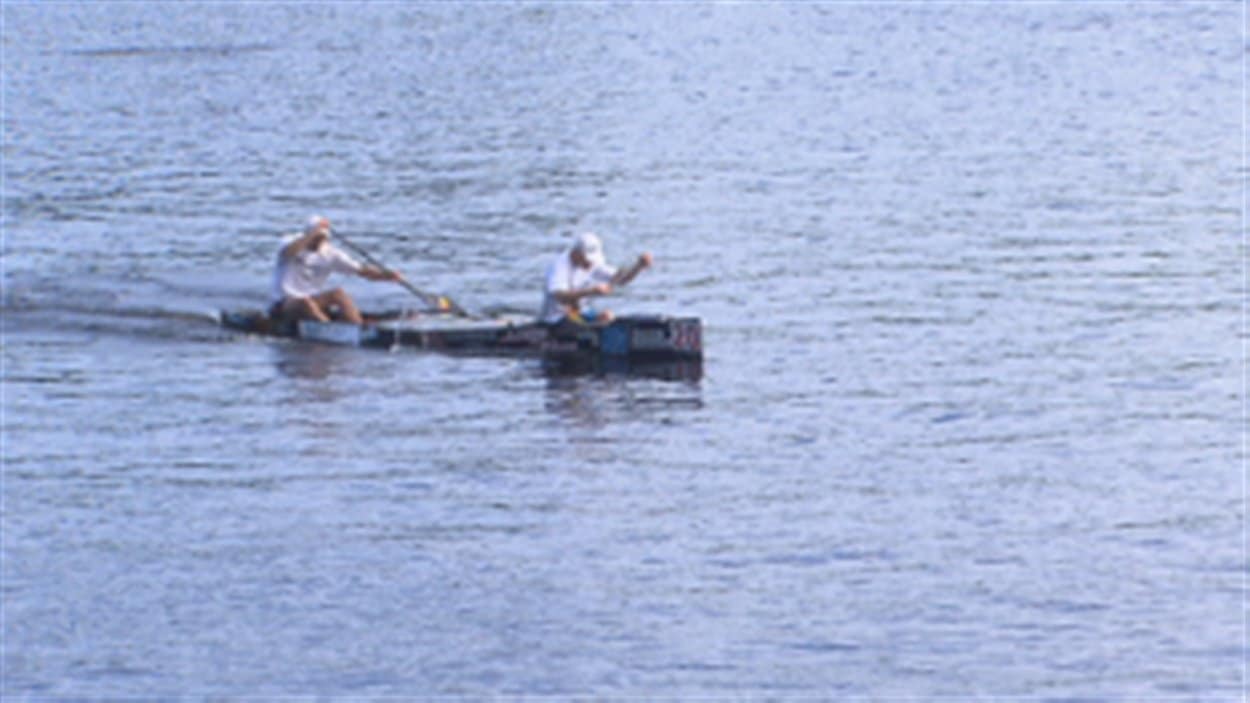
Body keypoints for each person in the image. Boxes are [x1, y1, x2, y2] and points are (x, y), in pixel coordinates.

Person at [270, 215, 402, 325]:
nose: (319, 243)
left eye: (322, 239)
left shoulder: (330, 253)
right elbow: (289, 253)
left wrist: (387, 275)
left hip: (313, 300)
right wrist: (314, 233)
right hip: (285, 303)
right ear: (307, 235)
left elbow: (361, 271)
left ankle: (357, 326)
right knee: (306, 302)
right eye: (316, 239)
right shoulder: (289, 243)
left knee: (338, 294)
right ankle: (328, 328)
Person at [539, 232, 653, 324]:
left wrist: (638, 266)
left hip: (581, 313)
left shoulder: (592, 264)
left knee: (608, 317)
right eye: (587, 260)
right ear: (576, 254)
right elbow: (559, 296)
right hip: (557, 319)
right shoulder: (560, 266)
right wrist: (591, 291)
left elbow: (622, 280)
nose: (590, 264)